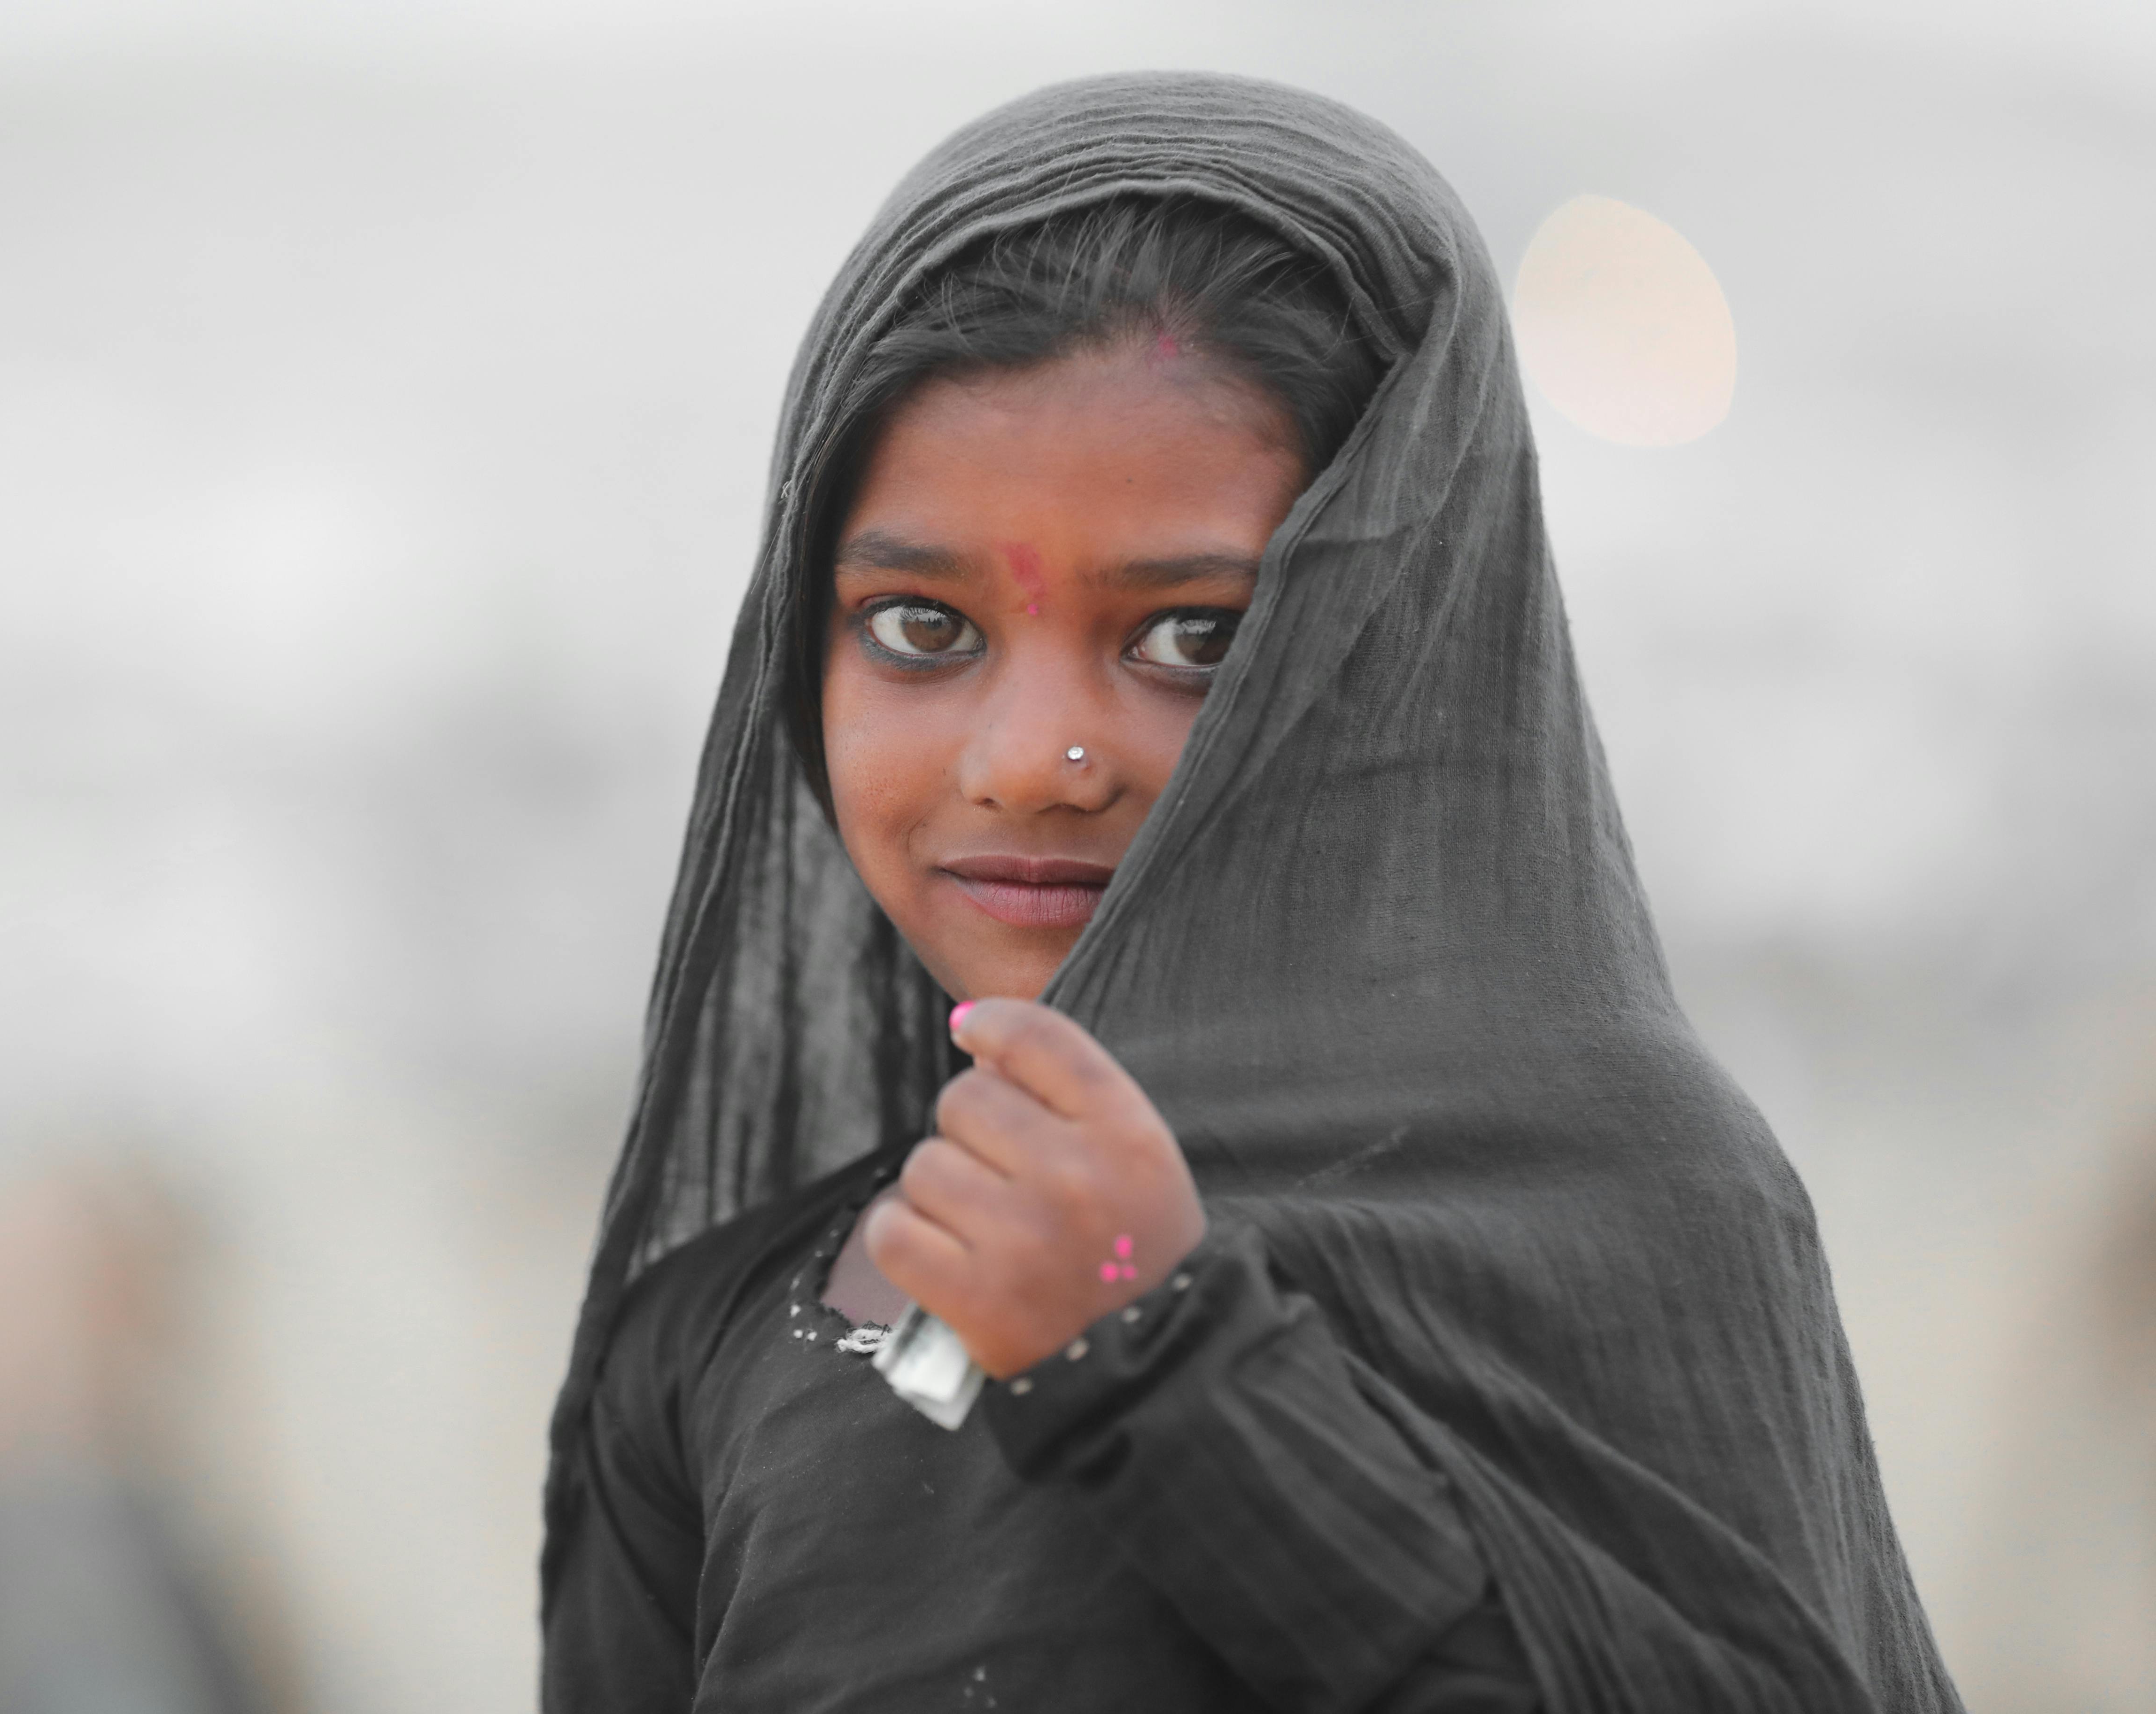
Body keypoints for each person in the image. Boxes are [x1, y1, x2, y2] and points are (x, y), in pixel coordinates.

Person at [541, 72, 1961, 1713]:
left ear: (1401, 648)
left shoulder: (1635, 1220)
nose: (1030, 761)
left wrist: (1151, 1359)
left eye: (1193, 638)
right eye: (923, 628)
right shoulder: (720, 1340)